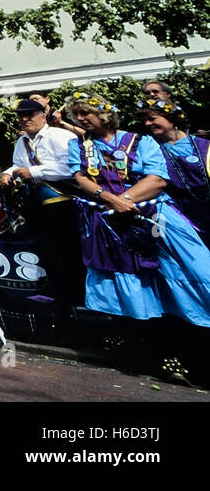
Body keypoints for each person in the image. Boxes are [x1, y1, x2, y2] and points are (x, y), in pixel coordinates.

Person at [66, 93, 210, 383]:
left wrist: (125, 199)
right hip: (109, 224)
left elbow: (158, 179)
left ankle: (199, 353)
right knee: (137, 290)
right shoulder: (78, 145)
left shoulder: (140, 142)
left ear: (104, 114)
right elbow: (80, 178)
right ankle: (157, 355)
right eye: (77, 115)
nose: (81, 119)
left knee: (193, 274)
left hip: (156, 218)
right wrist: (110, 199)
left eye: (86, 113)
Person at [1, 97, 84, 330]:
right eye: (21, 116)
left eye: (30, 115)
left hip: (67, 203)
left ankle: (75, 303)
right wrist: (8, 173)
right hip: (40, 205)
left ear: (42, 115)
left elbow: (71, 168)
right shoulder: (22, 142)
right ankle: (56, 302)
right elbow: (17, 164)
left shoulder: (61, 136)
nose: (25, 120)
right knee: (48, 251)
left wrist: (34, 172)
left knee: (70, 253)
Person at [141, 99, 210, 243]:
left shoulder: (203, 145)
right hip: (176, 211)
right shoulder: (151, 149)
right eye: (145, 120)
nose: (147, 123)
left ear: (171, 118)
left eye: (152, 119)